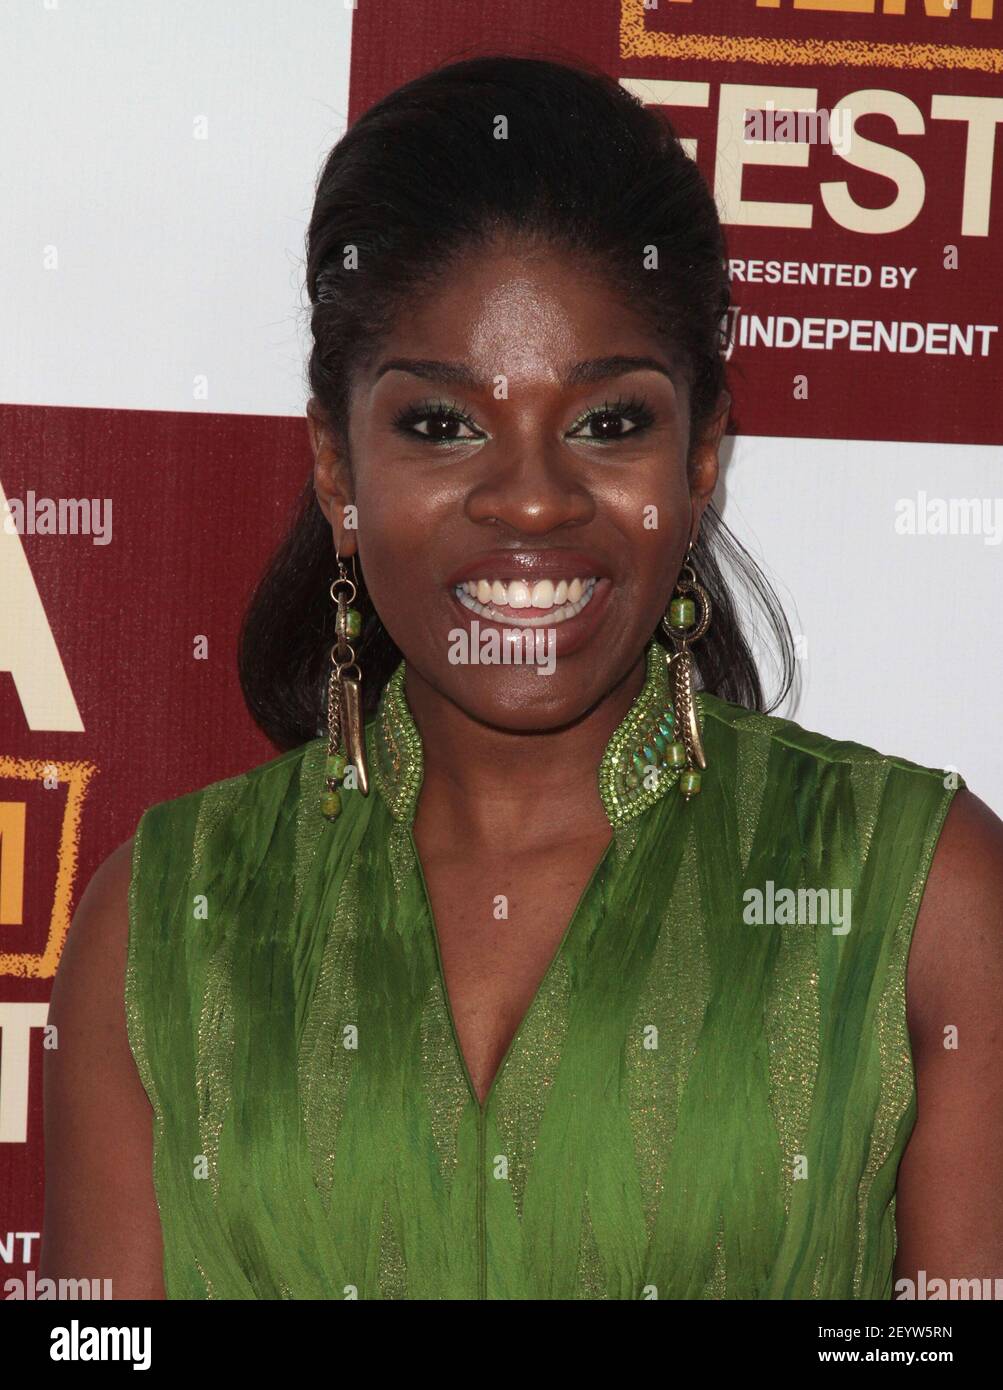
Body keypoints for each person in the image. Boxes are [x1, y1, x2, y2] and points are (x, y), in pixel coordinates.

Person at [41, 54, 1003, 1301]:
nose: (534, 497)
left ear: (702, 457)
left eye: (610, 424)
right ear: (337, 466)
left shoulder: (923, 897)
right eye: (441, 425)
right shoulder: (159, 926)